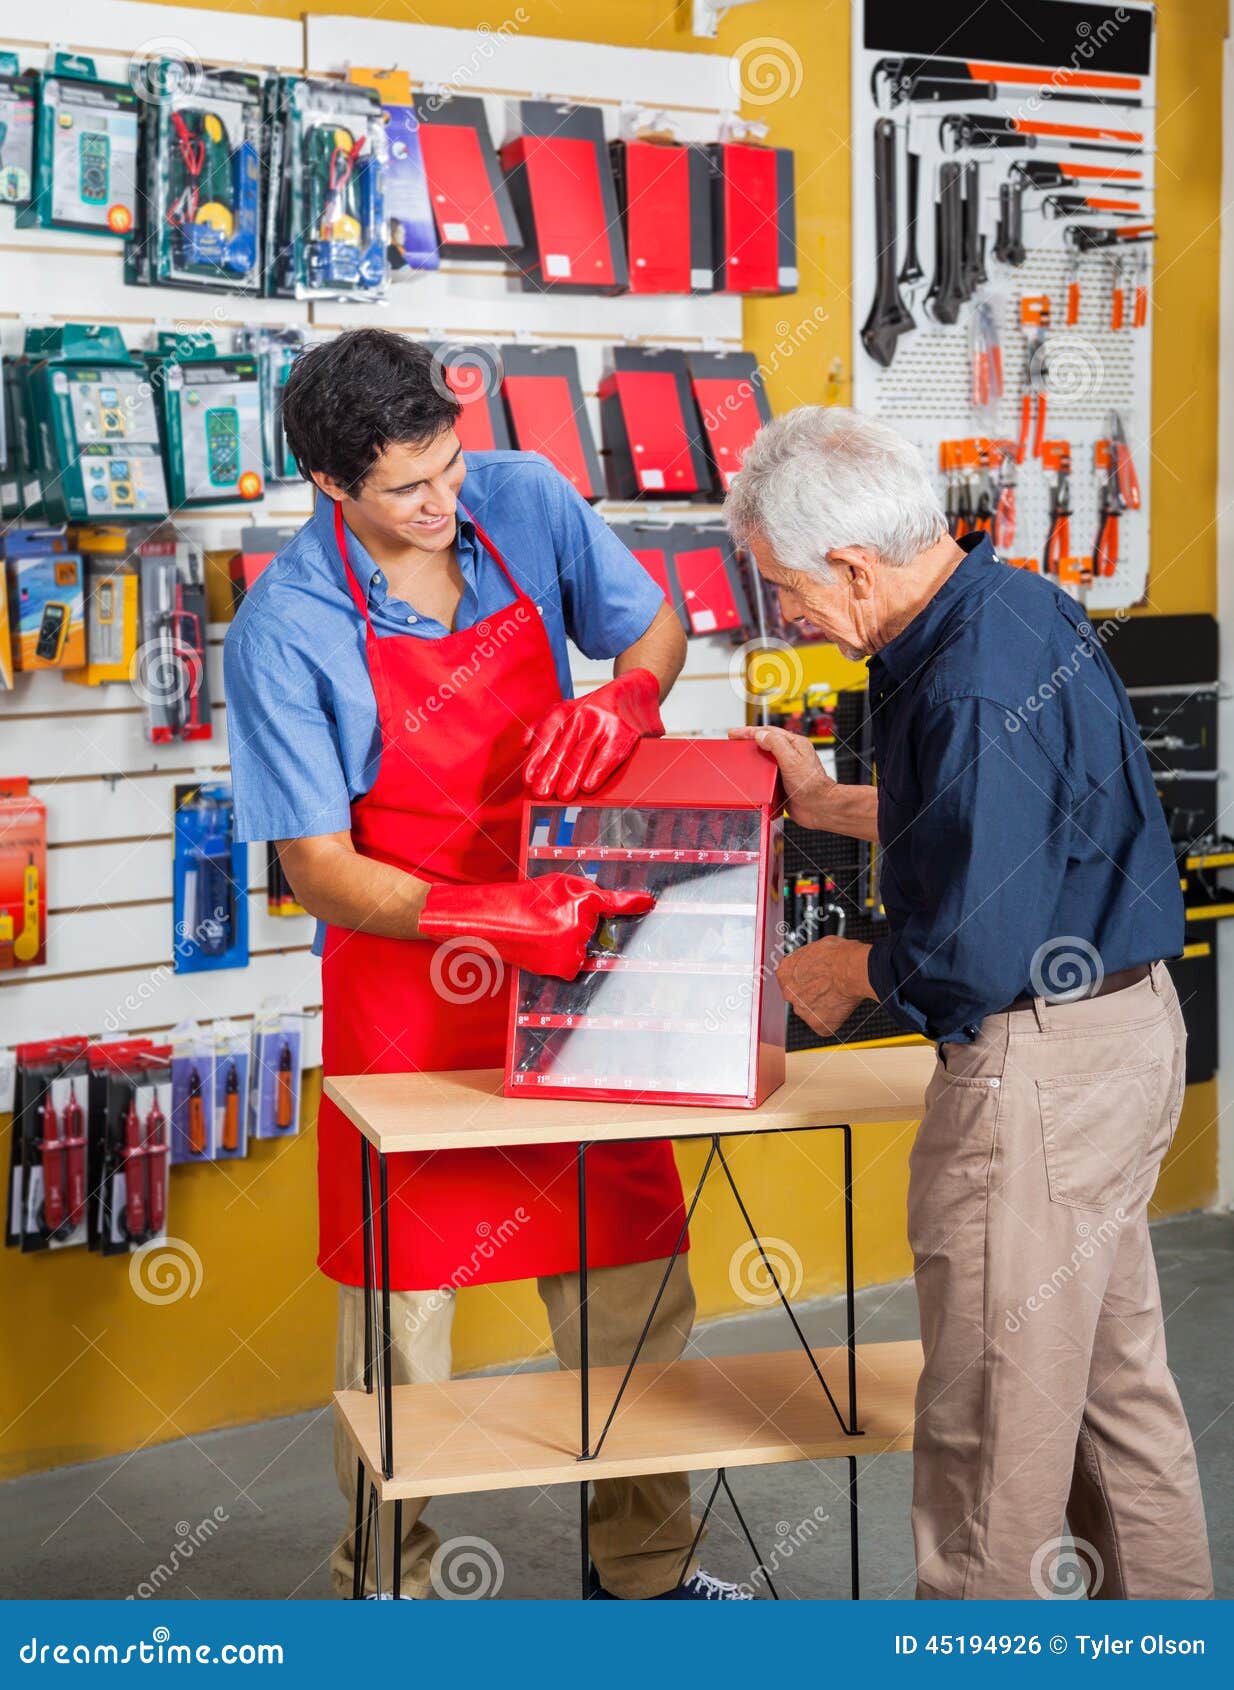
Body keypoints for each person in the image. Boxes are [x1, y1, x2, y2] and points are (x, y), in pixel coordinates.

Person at [224, 328, 748, 1600]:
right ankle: (388, 1592)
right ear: (330, 485)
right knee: (399, 1332)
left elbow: (655, 627)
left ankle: (645, 1574)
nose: (445, 505)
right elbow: (318, 869)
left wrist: (626, 699)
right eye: (410, 490)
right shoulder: (285, 627)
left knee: (633, 1279)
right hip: (412, 990)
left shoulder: (524, 498)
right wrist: (485, 917)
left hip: (578, 959)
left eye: (448, 466)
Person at [725, 406, 1213, 1601]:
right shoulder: (1010, 609)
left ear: (849, 563)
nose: (781, 615)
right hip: (1122, 1037)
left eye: (781, 587)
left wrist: (861, 971)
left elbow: (974, 945)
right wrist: (824, 799)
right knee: (1113, 1405)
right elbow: (994, 821)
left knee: (987, 1439)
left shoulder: (967, 688)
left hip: (1037, 1078)